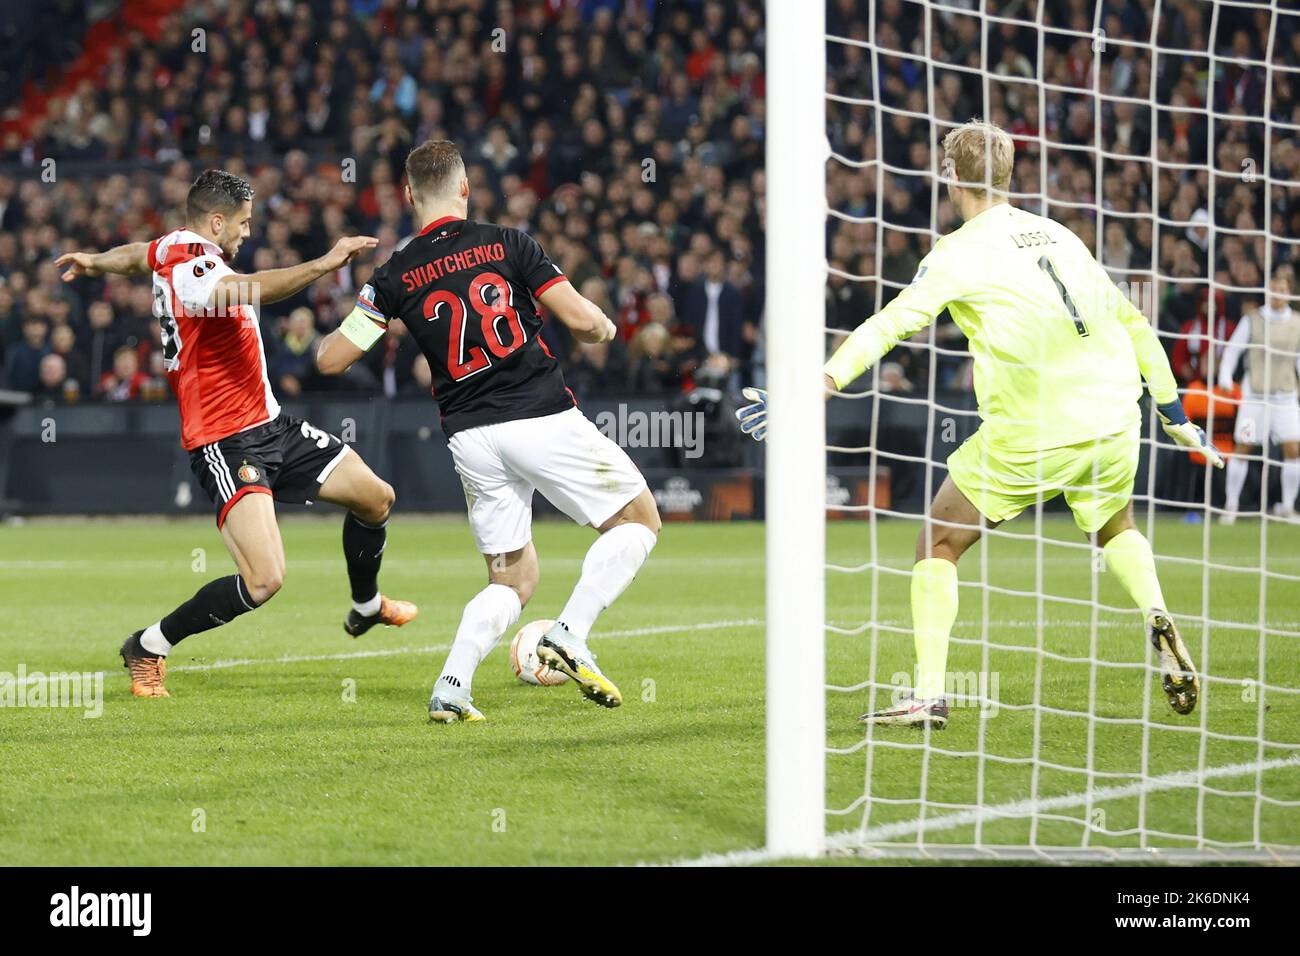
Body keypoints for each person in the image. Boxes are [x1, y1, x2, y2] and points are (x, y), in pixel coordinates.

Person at [737, 119, 1223, 727]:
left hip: (1035, 426)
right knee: (1115, 526)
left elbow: (890, 324)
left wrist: (822, 383)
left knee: (937, 541)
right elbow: (1135, 323)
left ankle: (929, 695)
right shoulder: (1058, 234)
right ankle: (1155, 610)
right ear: (1008, 174)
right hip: (1116, 416)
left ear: (951, 177)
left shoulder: (957, 251)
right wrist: (1175, 416)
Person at [316, 140, 661, 723]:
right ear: (466, 188)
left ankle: (452, 685)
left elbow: (329, 360)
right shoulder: (507, 243)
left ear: (407, 195)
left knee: (513, 576)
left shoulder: (393, 275)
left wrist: (358, 298)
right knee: (639, 519)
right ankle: (569, 634)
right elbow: (580, 320)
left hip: (470, 437)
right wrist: (603, 328)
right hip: (538, 413)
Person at [55, 169, 417, 698]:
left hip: (271, 424)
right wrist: (323, 263)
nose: (248, 233)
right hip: (226, 440)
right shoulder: (196, 269)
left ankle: (365, 607)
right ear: (216, 221)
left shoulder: (173, 248)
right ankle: (149, 645)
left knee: (376, 498)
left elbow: (138, 255)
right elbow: (250, 289)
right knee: (265, 579)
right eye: (244, 224)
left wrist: (94, 261)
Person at [1218, 273, 1300, 522]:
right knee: (1243, 446)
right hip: (1254, 397)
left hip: (1285, 398)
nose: (1278, 293)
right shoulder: (1252, 319)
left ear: (1289, 291)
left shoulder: (1297, 322)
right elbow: (1233, 350)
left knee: (1293, 449)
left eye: (1282, 288)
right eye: (1274, 288)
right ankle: (1230, 505)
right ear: (1268, 291)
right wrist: (1224, 376)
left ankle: (1287, 506)